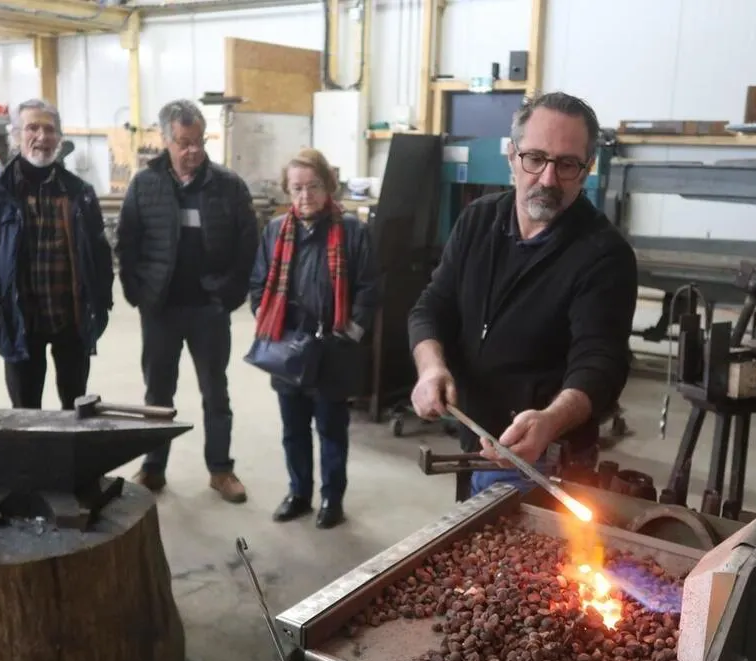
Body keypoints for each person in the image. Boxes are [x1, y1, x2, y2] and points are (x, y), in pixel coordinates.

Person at [408, 91, 638, 497]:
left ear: (586, 170)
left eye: (567, 164)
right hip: (475, 442)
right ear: (512, 156)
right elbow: (432, 306)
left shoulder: (604, 254)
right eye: (535, 158)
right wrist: (431, 367)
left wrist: (550, 419)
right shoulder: (478, 220)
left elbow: (600, 362)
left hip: (547, 458)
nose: (548, 179)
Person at [116, 99, 257, 502]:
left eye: (198, 141)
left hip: (209, 311)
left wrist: (228, 294)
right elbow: (127, 242)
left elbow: (248, 245)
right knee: (157, 394)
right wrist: (138, 293)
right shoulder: (145, 185)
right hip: (160, 309)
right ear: (165, 140)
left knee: (216, 392)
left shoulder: (228, 186)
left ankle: (220, 470)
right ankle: (153, 467)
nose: (192, 150)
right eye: (183, 143)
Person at [249, 148, 378, 528]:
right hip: (288, 351)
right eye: (297, 188)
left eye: (313, 186)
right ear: (288, 191)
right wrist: (268, 319)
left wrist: (350, 331)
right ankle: (299, 493)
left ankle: (331, 499)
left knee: (331, 430)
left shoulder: (352, 231)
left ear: (328, 187)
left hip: (332, 352)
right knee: (293, 430)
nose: (305, 196)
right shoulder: (275, 232)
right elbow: (258, 284)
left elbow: (370, 289)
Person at [0, 98, 114, 410]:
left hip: (70, 319)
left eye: (49, 129)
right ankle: (32, 462)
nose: (41, 137)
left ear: (59, 138)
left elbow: (99, 253)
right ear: (15, 135)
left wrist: (102, 301)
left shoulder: (79, 193)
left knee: (75, 407)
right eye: (32, 128)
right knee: (25, 411)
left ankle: (69, 460)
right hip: (19, 320)